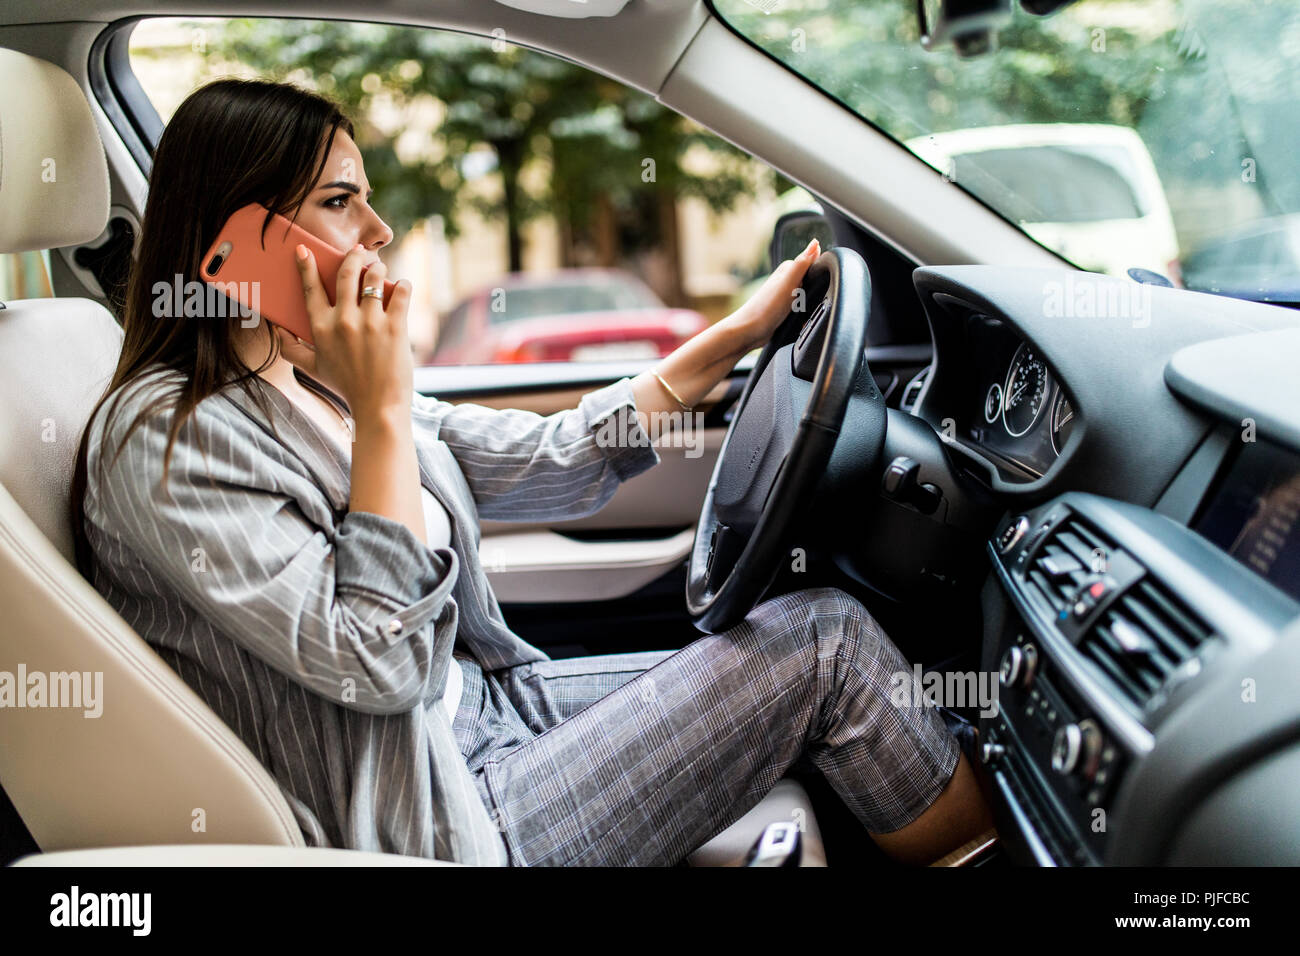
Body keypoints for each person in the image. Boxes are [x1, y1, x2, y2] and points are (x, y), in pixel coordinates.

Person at [71, 78, 993, 866]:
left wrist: (735, 339)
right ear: (247, 240)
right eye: (342, 202)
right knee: (823, 648)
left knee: (815, 645)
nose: (382, 231)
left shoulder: (305, 381)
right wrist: (384, 414)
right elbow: (378, 662)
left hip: (498, 712)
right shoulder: (163, 438)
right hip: (436, 820)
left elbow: (549, 460)